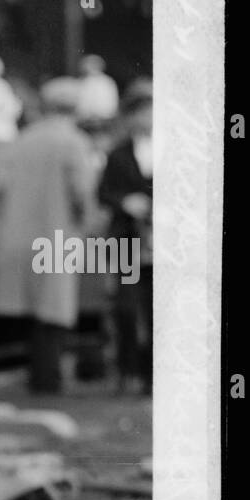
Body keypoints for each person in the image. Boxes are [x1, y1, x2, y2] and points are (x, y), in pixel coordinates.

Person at [0, 77, 100, 393]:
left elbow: (2, 183)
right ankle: (48, 380)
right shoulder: (74, 142)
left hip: (19, 236)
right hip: (56, 237)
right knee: (54, 310)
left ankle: (38, 376)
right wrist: (87, 224)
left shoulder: (23, 139)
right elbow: (82, 193)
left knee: (31, 308)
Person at [98, 80, 153, 393]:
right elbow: (104, 192)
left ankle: (152, 375)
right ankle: (127, 371)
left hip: (161, 241)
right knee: (127, 310)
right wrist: (126, 201)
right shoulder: (118, 154)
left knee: (159, 311)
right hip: (127, 241)